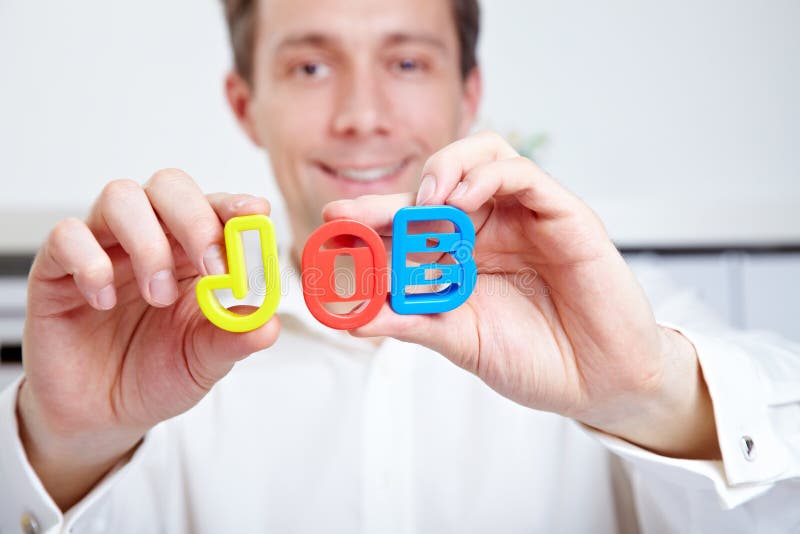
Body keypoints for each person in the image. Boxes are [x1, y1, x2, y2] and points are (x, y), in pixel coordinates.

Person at [1, 0, 798, 532]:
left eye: (408, 63)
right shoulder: (154, 350)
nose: (362, 116)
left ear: (468, 93)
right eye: (310, 67)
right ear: (246, 105)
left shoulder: (622, 318)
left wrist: (650, 394)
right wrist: (63, 449)